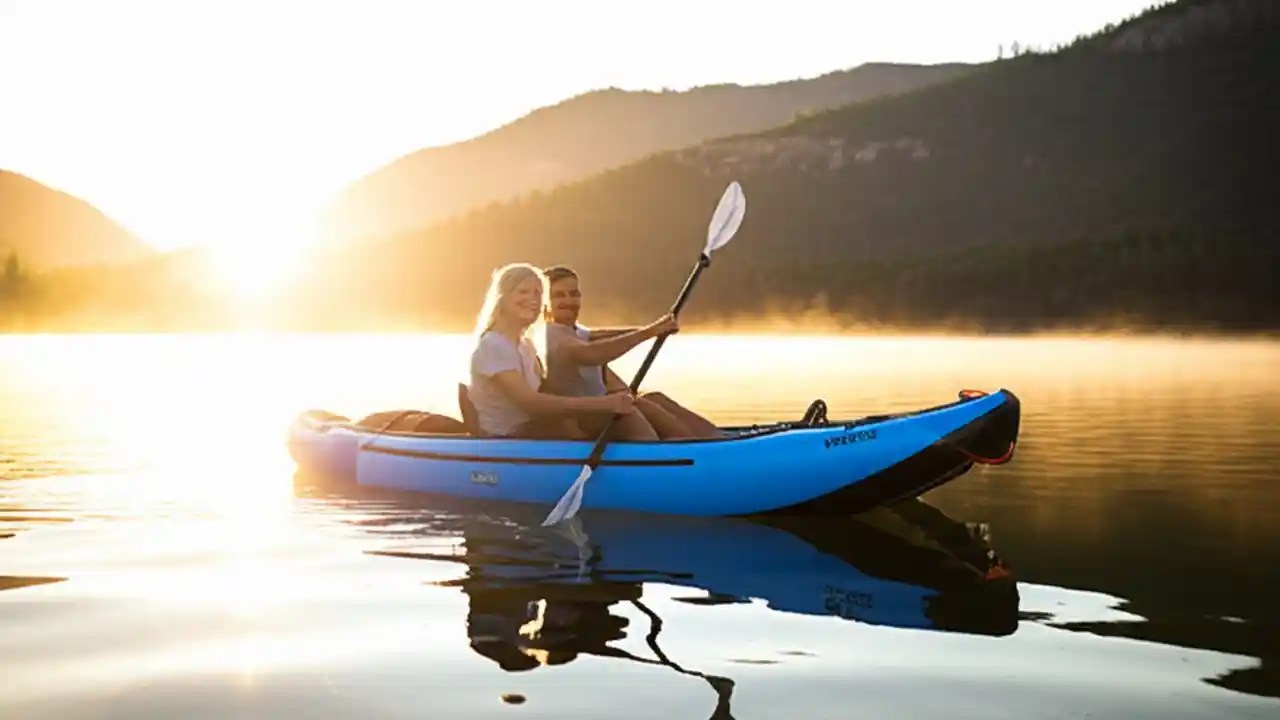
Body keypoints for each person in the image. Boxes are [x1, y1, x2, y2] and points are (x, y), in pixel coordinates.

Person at [467, 262, 661, 441]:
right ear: (502, 298)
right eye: (523, 292)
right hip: (508, 437)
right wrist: (604, 404)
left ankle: (672, 454)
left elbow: (593, 338)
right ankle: (659, 466)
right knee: (619, 416)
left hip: (535, 429)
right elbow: (531, 403)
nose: (533, 299)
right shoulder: (493, 345)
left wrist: (611, 396)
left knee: (635, 407)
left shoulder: (525, 344)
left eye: (538, 293)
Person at [541, 265, 723, 439]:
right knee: (638, 407)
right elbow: (591, 353)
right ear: (546, 303)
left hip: (599, 411)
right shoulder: (551, 335)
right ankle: (685, 449)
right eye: (558, 296)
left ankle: (717, 438)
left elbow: (598, 335)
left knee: (654, 398)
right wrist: (650, 332)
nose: (568, 301)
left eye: (574, 294)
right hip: (579, 420)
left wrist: (656, 328)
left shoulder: (572, 330)